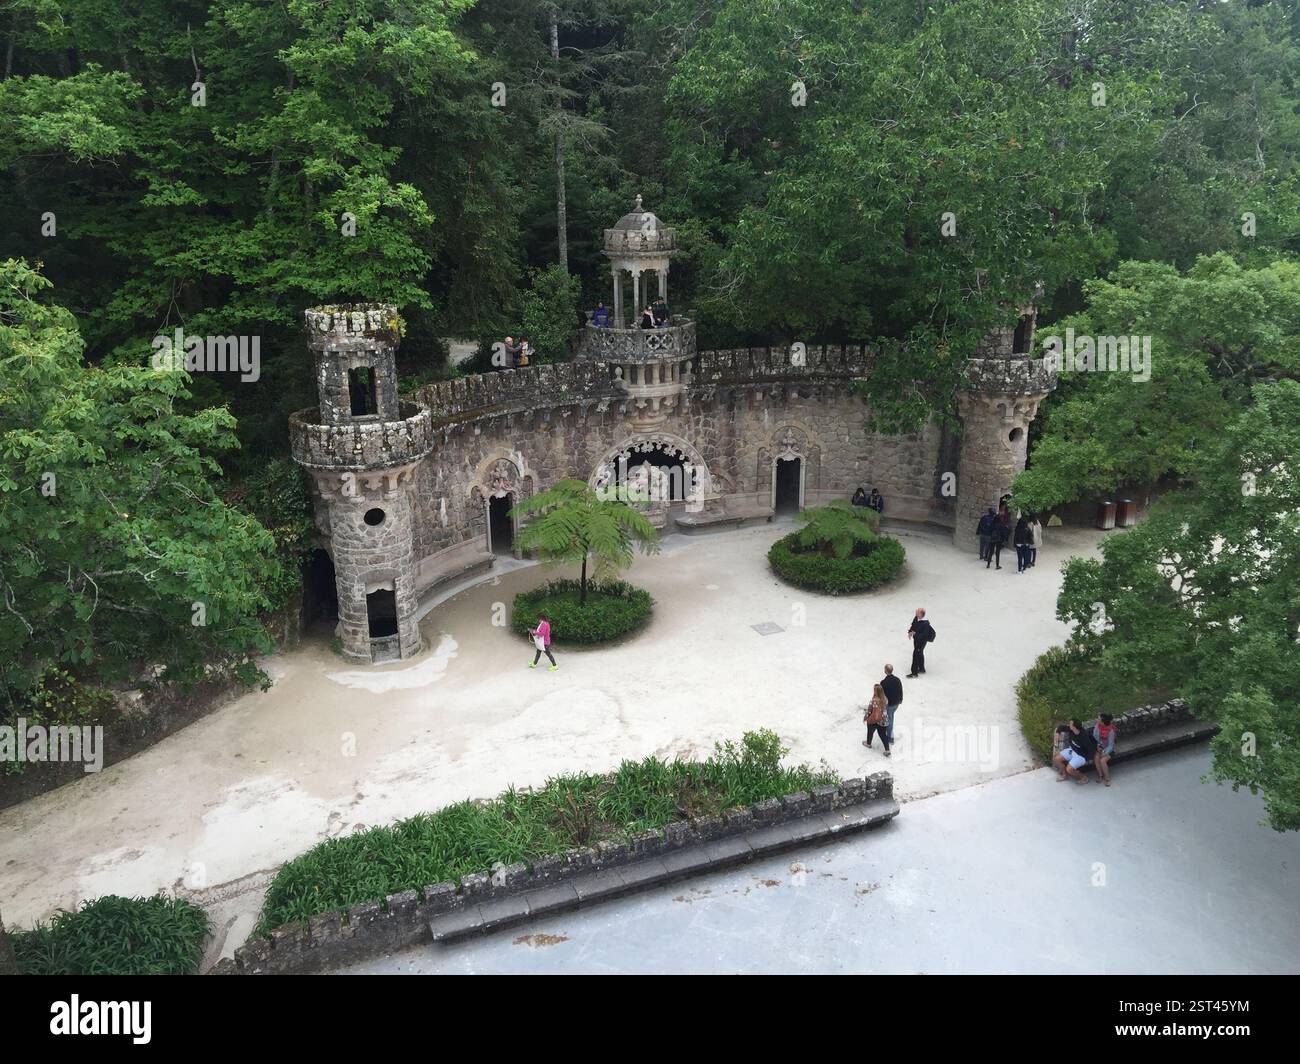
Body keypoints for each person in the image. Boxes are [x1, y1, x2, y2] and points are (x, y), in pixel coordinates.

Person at [1053, 719, 1096, 784]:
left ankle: (1083, 778)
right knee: (1056, 759)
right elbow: (1061, 727)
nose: (1068, 725)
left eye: (1070, 724)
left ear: (1074, 727)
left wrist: (1088, 759)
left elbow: (1091, 749)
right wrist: (1057, 733)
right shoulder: (1071, 729)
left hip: (1081, 755)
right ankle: (1064, 775)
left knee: (1069, 769)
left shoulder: (1084, 736)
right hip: (1072, 750)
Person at [862, 683, 891, 756]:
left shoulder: (874, 700)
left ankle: (868, 743)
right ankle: (887, 750)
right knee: (883, 735)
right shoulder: (885, 698)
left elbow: (870, 710)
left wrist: (866, 717)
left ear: (876, 691)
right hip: (884, 720)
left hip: (876, 719)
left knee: (870, 728)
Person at [906, 608, 933, 678]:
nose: (915, 613)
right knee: (920, 653)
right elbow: (913, 625)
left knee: (916, 655)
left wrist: (915, 633)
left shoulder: (926, 624)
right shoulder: (916, 618)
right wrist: (910, 631)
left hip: (921, 642)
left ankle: (914, 673)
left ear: (921, 614)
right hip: (916, 640)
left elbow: (924, 635)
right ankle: (921, 669)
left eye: (917, 612)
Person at [880, 664, 903, 746]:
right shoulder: (897, 680)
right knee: (891, 717)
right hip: (896, 703)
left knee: (890, 720)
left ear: (885, 671)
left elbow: (882, 695)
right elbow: (900, 690)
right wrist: (900, 700)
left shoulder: (883, 682)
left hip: (889, 705)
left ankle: (890, 737)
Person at [1093, 714, 1117, 786]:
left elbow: (1110, 746)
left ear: (1102, 722)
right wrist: (1098, 747)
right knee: (1096, 757)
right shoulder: (1098, 726)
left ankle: (1107, 778)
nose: (1097, 720)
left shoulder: (1111, 731)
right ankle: (1100, 775)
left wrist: (1103, 753)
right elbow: (1095, 738)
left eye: (1098, 719)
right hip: (1100, 747)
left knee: (1102, 760)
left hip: (1110, 750)